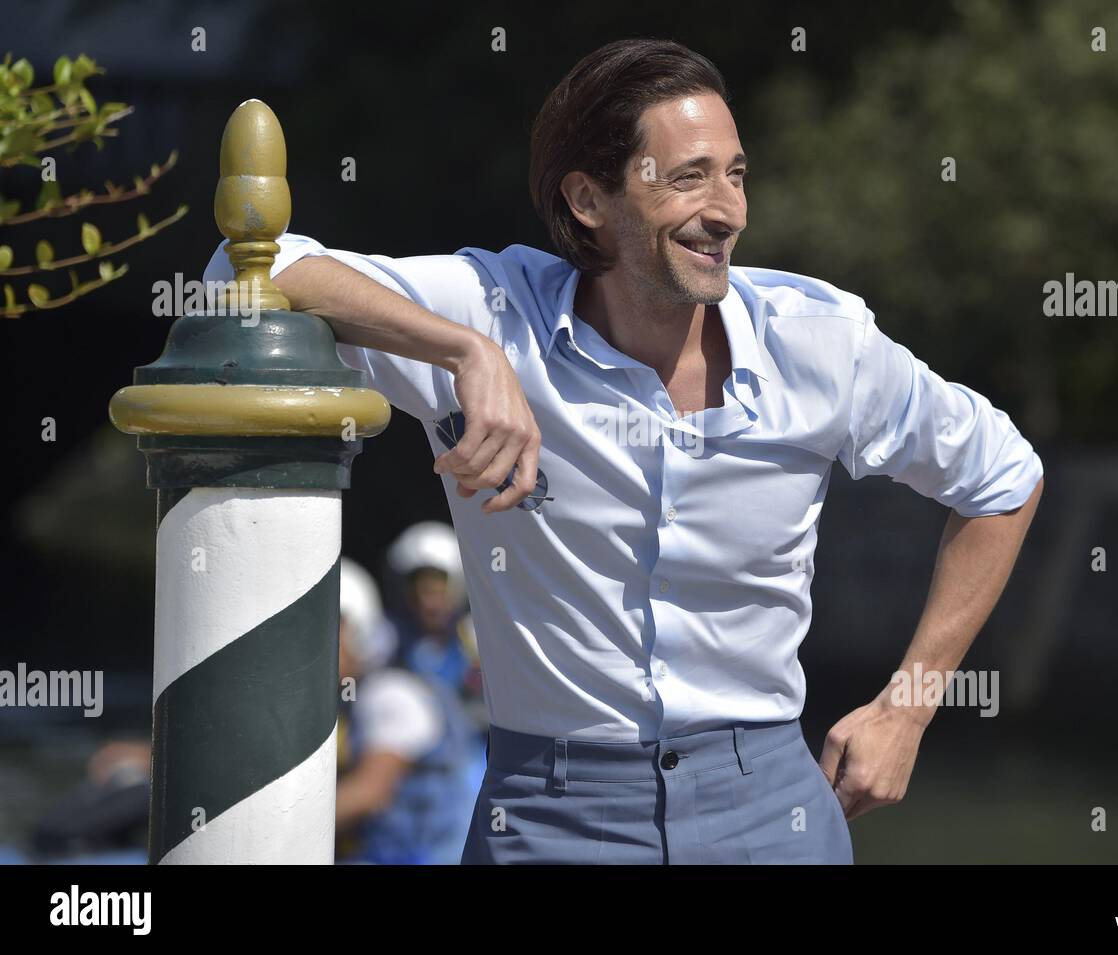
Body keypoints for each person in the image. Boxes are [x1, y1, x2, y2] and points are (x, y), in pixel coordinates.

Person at [205, 38, 1044, 864]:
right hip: (547, 818)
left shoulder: (823, 344)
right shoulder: (494, 313)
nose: (728, 211)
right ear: (588, 201)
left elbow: (1004, 480)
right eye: (688, 178)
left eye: (736, 173)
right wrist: (467, 354)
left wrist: (909, 706)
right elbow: (244, 268)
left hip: (772, 812)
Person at [336, 557, 484, 865]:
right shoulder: (356, 698)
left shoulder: (389, 693)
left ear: (354, 631)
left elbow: (368, 792)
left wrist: (277, 829)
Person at [385, 521, 485, 725]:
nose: (429, 604)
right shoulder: (388, 641)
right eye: (419, 591)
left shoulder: (480, 639)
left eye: (438, 591)